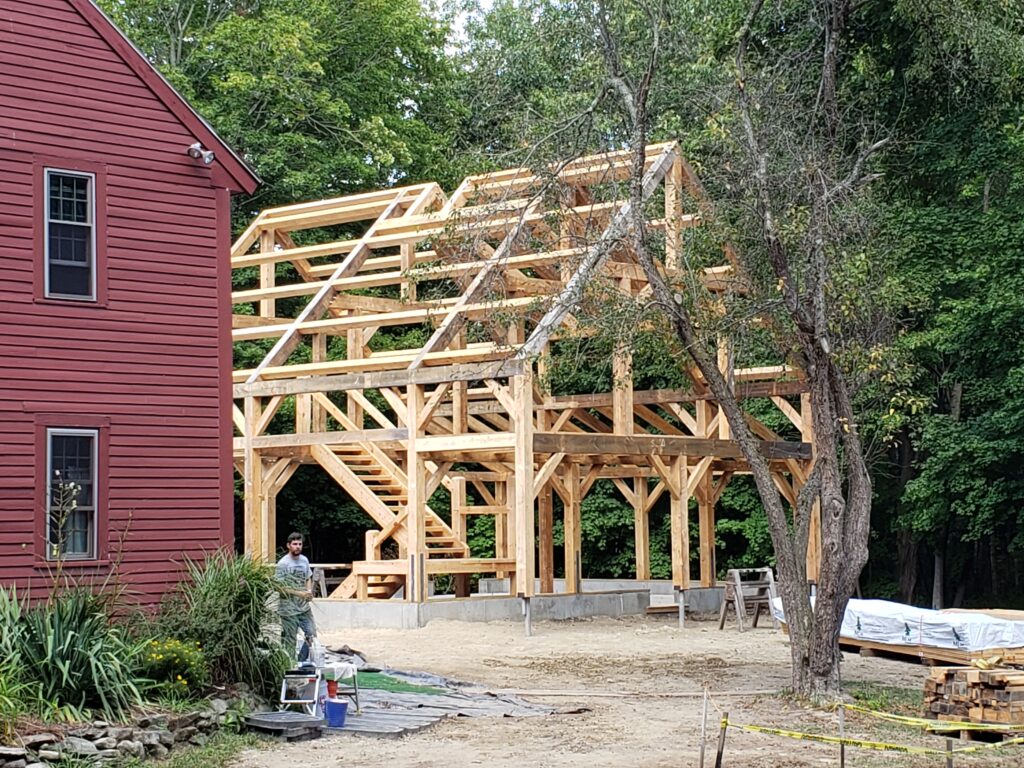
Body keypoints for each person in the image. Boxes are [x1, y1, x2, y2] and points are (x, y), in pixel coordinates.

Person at [276, 531, 316, 664]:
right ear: (288, 545)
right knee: (289, 640)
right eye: (294, 544)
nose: (297, 546)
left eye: (300, 544)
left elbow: (308, 577)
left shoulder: (304, 560)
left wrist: (308, 591)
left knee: (311, 635)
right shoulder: (283, 564)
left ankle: (302, 661)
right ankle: (289, 665)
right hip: (288, 609)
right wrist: (300, 593)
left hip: (303, 607)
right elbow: (279, 587)